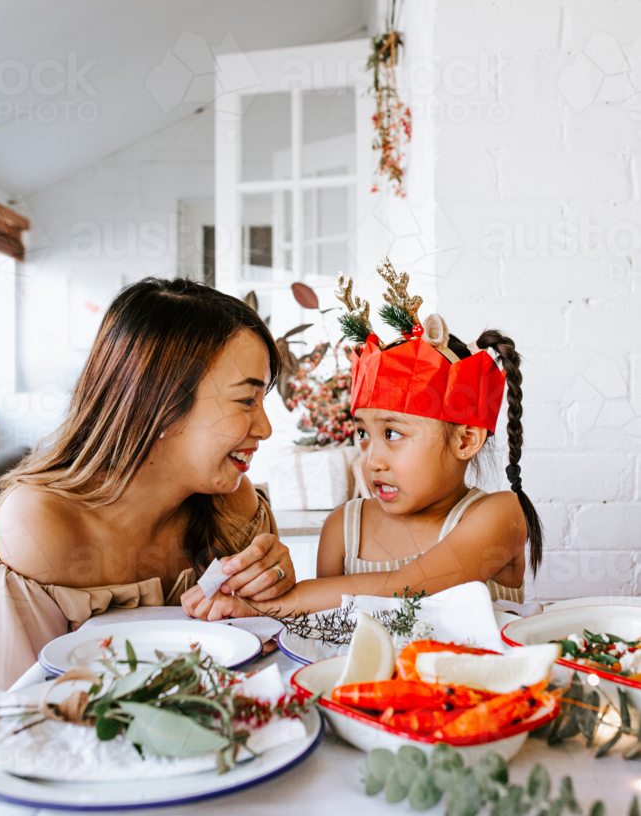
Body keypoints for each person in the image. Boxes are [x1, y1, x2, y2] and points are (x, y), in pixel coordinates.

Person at [0, 278, 294, 693]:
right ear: (161, 403)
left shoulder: (233, 503)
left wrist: (274, 595)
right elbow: (7, 721)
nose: (265, 428)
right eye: (246, 400)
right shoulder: (38, 528)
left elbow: (267, 666)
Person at [182, 258, 543, 622]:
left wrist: (262, 606)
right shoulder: (342, 529)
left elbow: (406, 587)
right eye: (363, 434)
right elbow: (328, 631)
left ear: (465, 440)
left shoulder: (499, 515)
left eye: (392, 433)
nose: (371, 461)